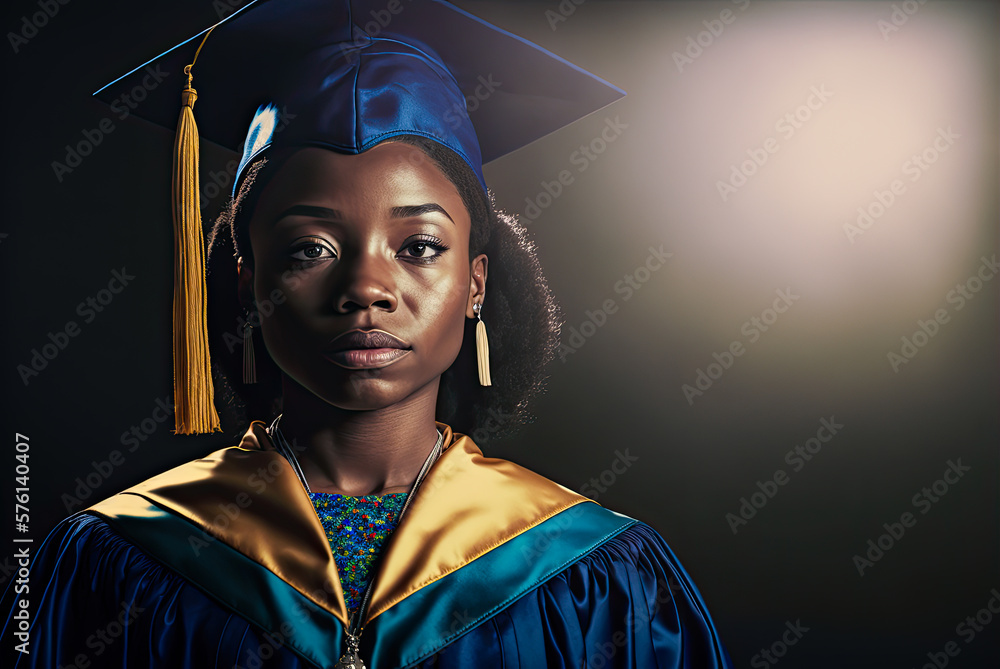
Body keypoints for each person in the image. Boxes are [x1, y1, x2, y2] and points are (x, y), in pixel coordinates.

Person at [2, 1, 734, 666]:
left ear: (476, 282)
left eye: (419, 246)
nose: (365, 288)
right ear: (246, 280)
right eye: (308, 249)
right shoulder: (119, 557)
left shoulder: (594, 570)